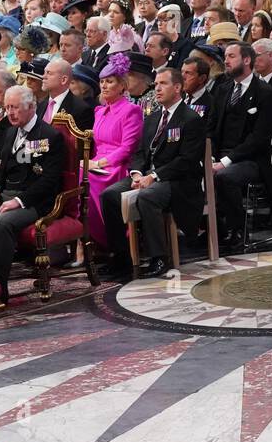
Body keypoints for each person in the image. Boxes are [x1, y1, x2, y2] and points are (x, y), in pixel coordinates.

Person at [0, 85, 66, 302]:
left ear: (31, 107)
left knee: (2, 222)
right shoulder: (9, 132)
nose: (10, 113)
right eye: (7, 107)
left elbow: (50, 181)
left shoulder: (49, 136)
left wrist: (19, 201)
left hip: (34, 201)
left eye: (15, 107)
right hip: (7, 195)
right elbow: (3, 172)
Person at [98, 67, 205, 279]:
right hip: (146, 175)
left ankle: (159, 257)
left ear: (177, 87)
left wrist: (154, 177)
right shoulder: (152, 118)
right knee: (109, 195)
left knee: (148, 197)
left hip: (176, 180)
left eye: (162, 84)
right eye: (155, 84)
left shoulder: (191, 119)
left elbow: (187, 160)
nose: (157, 88)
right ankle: (121, 256)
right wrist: (137, 173)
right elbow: (139, 152)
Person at [209, 41, 272, 248]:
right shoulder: (222, 90)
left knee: (224, 177)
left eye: (231, 56)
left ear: (247, 60)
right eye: (226, 57)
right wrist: (211, 156)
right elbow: (212, 128)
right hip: (221, 155)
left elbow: (259, 138)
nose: (226, 61)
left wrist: (225, 161)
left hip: (253, 159)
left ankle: (238, 229)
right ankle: (212, 229)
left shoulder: (266, 93)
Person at [85, 53, 145, 254]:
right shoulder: (98, 111)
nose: (104, 86)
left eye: (109, 82)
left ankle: (111, 243)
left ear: (122, 86)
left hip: (117, 167)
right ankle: (91, 242)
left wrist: (100, 163)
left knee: (90, 179)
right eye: (102, 82)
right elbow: (96, 145)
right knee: (73, 177)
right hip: (97, 162)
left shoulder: (132, 110)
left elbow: (127, 148)